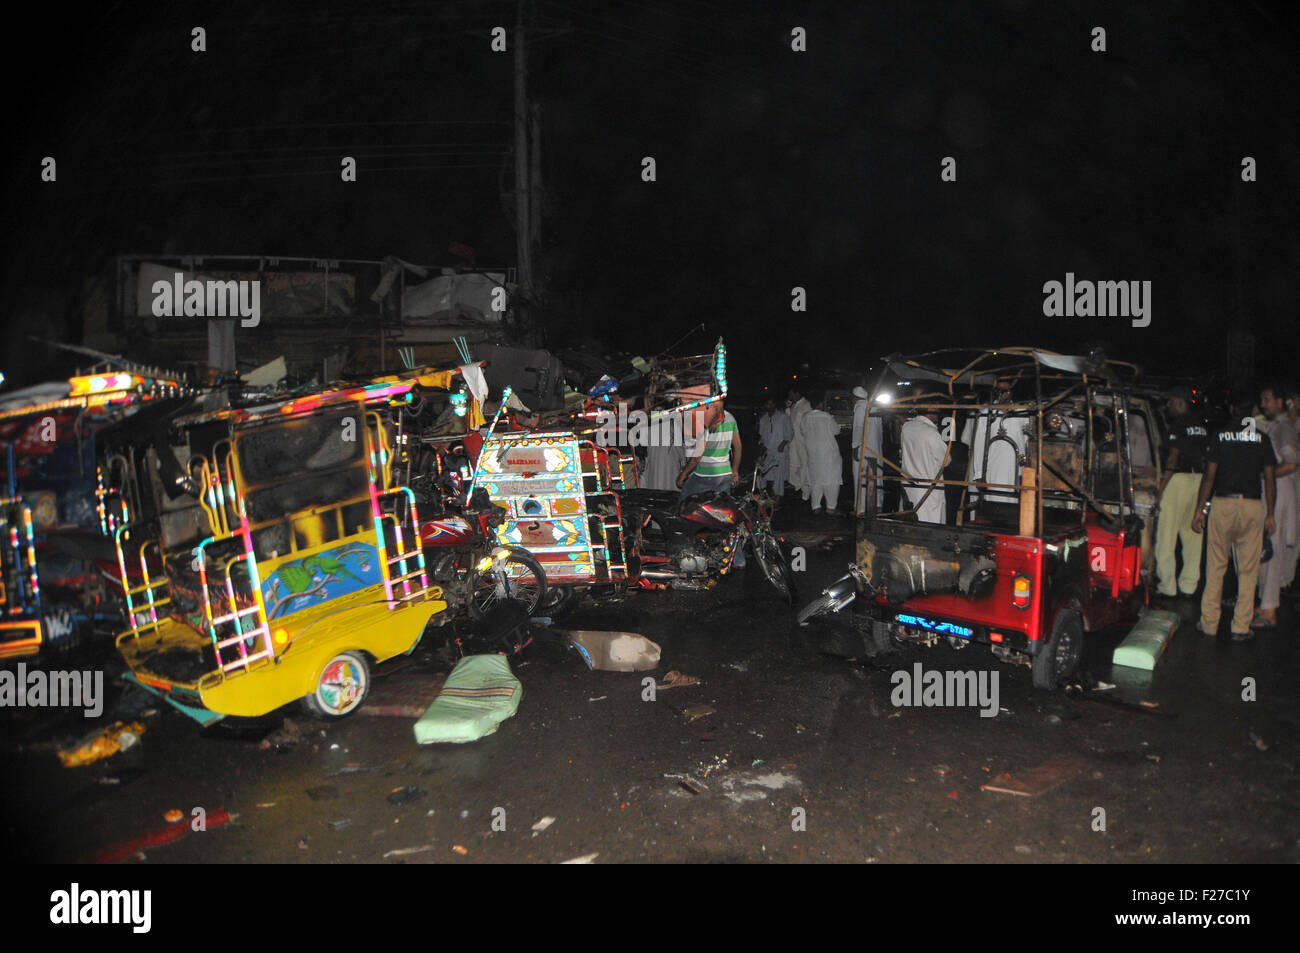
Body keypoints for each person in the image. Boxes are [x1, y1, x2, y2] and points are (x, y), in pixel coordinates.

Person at [1192, 395, 1278, 640]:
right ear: (1252, 410)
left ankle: (1209, 623)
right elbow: (1270, 479)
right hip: (1252, 506)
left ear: (1231, 409)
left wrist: (1200, 509)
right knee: (1248, 570)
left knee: (1216, 565)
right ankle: (1240, 627)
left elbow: (1209, 476)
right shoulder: (1262, 438)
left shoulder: (1220, 436)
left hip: (1223, 504)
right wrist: (1270, 513)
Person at [1154, 386, 1209, 599]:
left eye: (1171, 401)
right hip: (1198, 481)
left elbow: (1172, 459)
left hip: (1178, 480)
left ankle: (1167, 586)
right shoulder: (1202, 426)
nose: (1168, 405)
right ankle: (1189, 586)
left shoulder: (1179, 425)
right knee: (1192, 535)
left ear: (1180, 402)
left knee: (1166, 535)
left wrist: (1160, 489)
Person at [1253, 383, 1297, 628]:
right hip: (1277, 491)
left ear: (1280, 401)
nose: (1264, 404)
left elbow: (1291, 463)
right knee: (1268, 548)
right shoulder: (1279, 426)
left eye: (1268, 399)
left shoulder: (1284, 428)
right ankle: (1265, 604)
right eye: (1262, 400)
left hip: (1279, 492)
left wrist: (1264, 476)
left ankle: (1269, 610)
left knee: (1272, 547)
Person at [899, 389, 948, 524]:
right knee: (929, 527)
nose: (939, 410)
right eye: (937, 406)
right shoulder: (931, 433)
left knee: (909, 526)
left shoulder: (907, 427)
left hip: (909, 488)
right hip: (928, 491)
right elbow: (946, 460)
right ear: (930, 408)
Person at [677, 401, 741, 499]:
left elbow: (698, 456)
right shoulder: (730, 418)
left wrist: (684, 474)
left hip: (705, 474)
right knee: (719, 508)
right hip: (725, 474)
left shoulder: (706, 419)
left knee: (685, 500)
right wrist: (735, 470)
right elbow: (738, 447)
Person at [801, 394, 843, 514]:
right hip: (828, 454)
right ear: (820, 404)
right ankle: (831, 507)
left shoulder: (805, 417)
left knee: (815, 480)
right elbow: (836, 430)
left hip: (813, 453)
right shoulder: (826, 416)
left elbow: (802, 431)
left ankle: (816, 506)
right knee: (832, 480)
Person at [850, 385, 884, 513]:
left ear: (855, 398)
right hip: (876, 448)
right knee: (877, 475)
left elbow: (858, 429)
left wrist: (855, 447)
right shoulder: (874, 407)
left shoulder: (859, 407)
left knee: (860, 476)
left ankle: (861, 507)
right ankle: (878, 504)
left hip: (863, 448)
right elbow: (880, 431)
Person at [757, 396, 792, 496]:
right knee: (762, 475)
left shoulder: (783, 417)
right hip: (768, 452)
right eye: (768, 404)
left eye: (772, 404)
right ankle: (763, 497)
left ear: (775, 404)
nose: (770, 406)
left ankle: (777, 499)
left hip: (779, 451)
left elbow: (789, 433)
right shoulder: (764, 419)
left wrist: (783, 444)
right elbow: (762, 436)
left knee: (778, 478)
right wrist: (761, 447)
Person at [786, 386, 812, 500]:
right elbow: (789, 419)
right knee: (792, 464)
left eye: (791, 394)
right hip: (793, 440)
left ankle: (805, 490)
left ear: (796, 394)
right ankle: (797, 485)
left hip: (803, 440)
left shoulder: (806, 405)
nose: (789, 396)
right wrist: (788, 407)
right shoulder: (794, 405)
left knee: (804, 464)